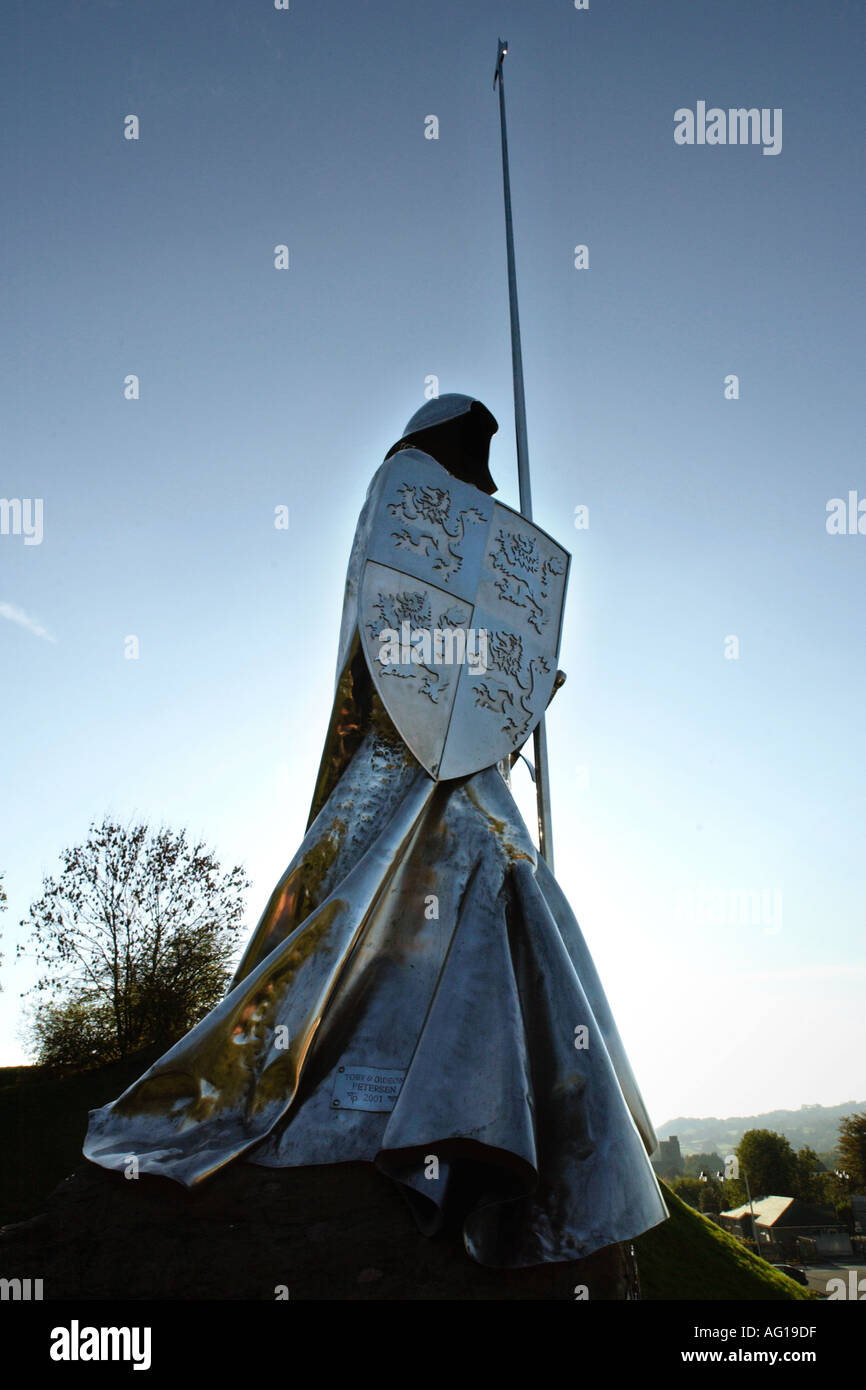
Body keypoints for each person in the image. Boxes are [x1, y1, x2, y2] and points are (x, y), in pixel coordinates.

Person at [84, 394, 667, 1270]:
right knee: (429, 883)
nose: (496, 481)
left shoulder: (443, 503)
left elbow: (475, 647)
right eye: (482, 455)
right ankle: (444, 1119)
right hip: (409, 754)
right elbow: (397, 637)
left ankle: (515, 1129)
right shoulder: (406, 487)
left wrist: (520, 683)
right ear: (449, 444)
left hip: (459, 757)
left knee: (503, 872)